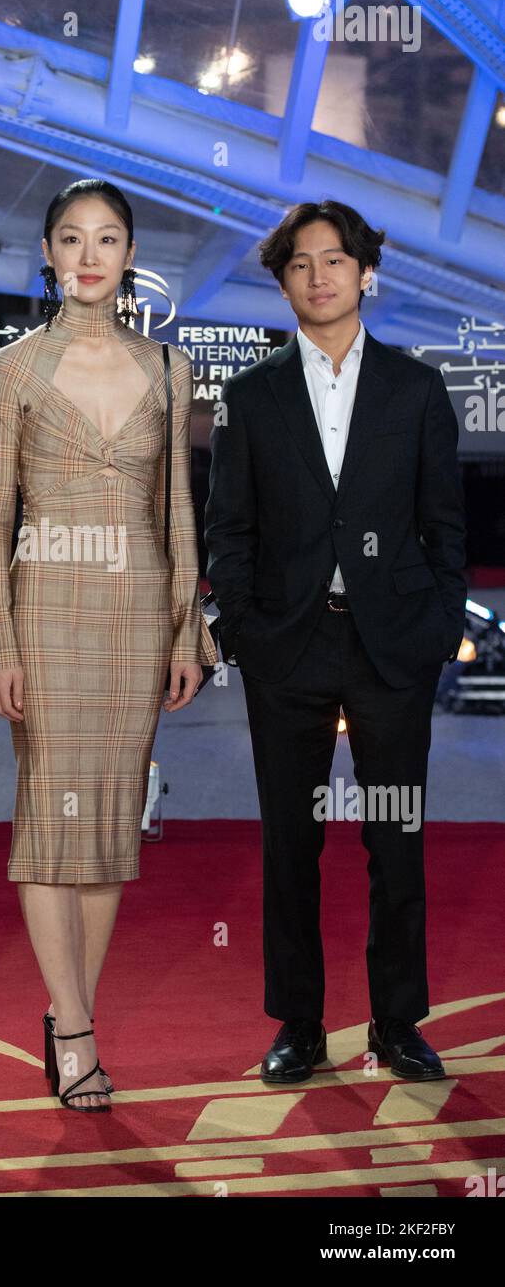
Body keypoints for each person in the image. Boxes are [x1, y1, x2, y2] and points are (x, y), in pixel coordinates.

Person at [204, 199, 467, 1085]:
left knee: (396, 840)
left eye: (335, 260)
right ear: (283, 284)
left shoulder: (416, 389)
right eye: (301, 264)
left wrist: (434, 629)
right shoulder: (249, 396)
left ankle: (398, 1023)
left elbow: (444, 528)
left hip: (393, 647)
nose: (319, 275)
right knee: (292, 844)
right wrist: (243, 631)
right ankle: (301, 1027)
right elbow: (228, 532)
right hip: (289, 648)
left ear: (364, 273)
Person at [0, 180, 217, 1109]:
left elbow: (177, 509)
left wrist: (186, 625)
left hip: (135, 612)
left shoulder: (167, 368)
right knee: (47, 818)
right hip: (45, 602)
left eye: (107, 239)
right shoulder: (17, 371)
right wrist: (0, 639)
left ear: (127, 256)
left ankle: (71, 1007)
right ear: (46, 251)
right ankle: (74, 1030)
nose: (88, 254)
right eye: (71, 238)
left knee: (112, 823)